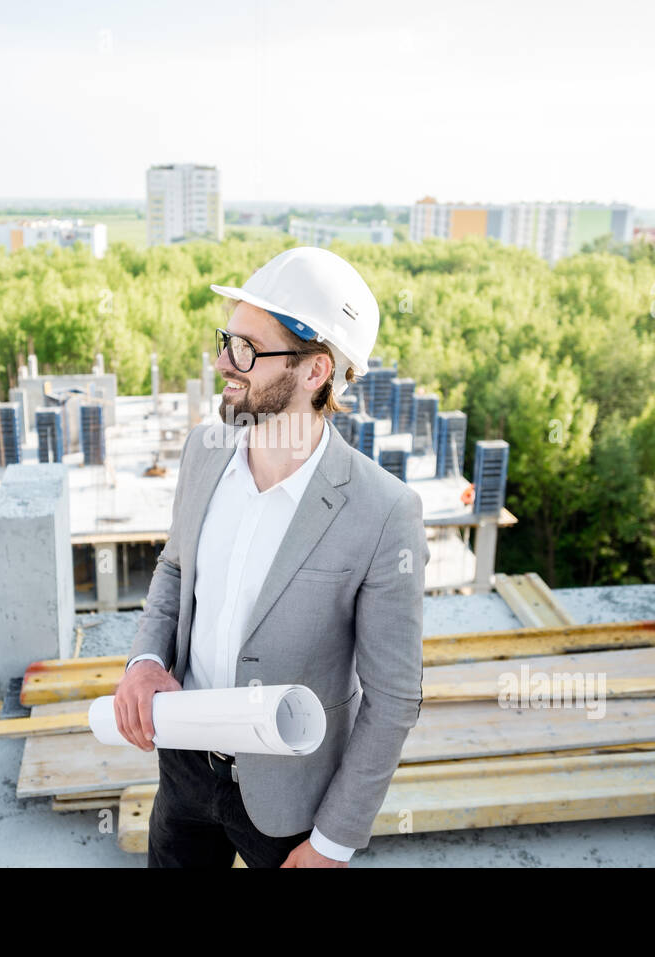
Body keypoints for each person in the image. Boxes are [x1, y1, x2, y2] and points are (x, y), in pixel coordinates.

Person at [113, 246, 429, 868]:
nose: (222, 362)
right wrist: (146, 659)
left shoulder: (383, 511)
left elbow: (394, 698)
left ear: (316, 372)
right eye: (226, 340)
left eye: (246, 349)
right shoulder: (205, 450)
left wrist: (332, 842)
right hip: (183, 765)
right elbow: (176, 569)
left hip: (291, 799)